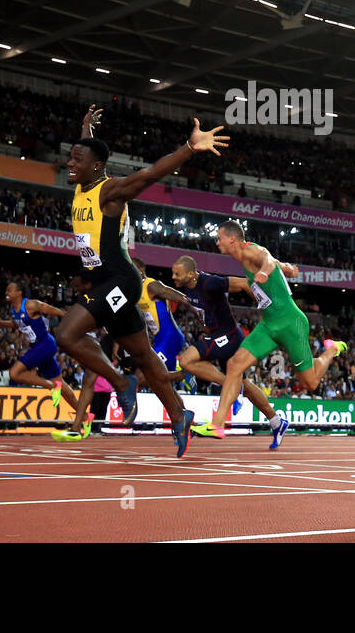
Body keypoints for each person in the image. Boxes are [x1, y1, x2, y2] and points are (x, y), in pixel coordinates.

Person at [51, 104, 228, 458]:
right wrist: (86, 128)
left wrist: (189, 149)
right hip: (104, 282)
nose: (70, 164)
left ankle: (120, 382)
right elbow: (89, 152)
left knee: (66, 334)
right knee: (145, 357)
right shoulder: (85, 179)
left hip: (120, 281)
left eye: (76, 160)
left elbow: (149, 175)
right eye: (70, 158)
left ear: (94, 166)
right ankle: (180, 414)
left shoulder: (110, 192)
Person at [191, 221, 346, 439]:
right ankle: (217, 425)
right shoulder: (243, 261)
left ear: (232, 239)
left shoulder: (251, 251)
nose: (217, 242)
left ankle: (331, 349)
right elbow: (276, 263)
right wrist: (288, 269)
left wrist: (265, 271)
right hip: (269, 325)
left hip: (291, 323)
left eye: (220, 238)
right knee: (234, 364)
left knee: (310, 382)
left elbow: (267, 258)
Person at [171, 253, 293, 449]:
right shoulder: (186, 287)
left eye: (177, 274)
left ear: (192, 274)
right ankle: (277, 422)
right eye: (173, 273)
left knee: (186, 360)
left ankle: (233, 389)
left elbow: (245, 283)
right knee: (242, 381)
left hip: (228, 335)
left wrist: (265, 309)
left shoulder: (210, 282)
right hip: (218, 334)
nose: (174, 277)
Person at [0, 282, 78, 410]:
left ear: (19, 293)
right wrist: (1, 322)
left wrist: (66, 315)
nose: (7, 292)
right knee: (61, 384)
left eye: (10, 290)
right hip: (39, 348)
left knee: (14, 373)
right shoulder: (14, 310)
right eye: (6, 290)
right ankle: (84, 416)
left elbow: (46, 307)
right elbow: (17, 324)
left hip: (45, 344)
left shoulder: (29, 304)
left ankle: (52, 386)